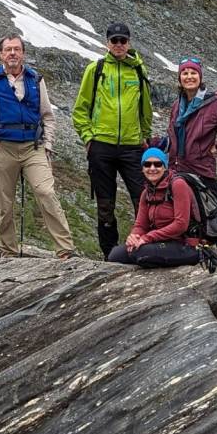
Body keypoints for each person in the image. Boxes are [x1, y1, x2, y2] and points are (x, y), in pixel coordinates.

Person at [0, 34, 76, 258]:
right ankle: (8, 252)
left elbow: (48, 116)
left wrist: (48, 145)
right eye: (8, 49)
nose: (12, 53)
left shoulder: (36, 79)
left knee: (46, 192)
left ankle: (65, 249)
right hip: (2, 148)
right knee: (4, 203)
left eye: (17, 49)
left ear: (23, 53)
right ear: (1, 54)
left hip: (34, 146)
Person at [74, 21, 154, 258]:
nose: (118, 45)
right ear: (107, 43)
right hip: (102, 146)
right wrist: (89, 138)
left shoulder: (138, 70)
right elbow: (80, 108)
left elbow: (145, 109)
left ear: (129, 43)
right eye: (114, 41)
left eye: (123, 40)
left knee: (143, 199)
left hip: (132, 146)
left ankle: (147, 247)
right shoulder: (96, 69)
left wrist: (145, 137)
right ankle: (110, 254)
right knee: (105, 204)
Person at [158, 58, 217, 268]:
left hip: (202, 173)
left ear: (200, 77)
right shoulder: (177, 105)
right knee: (185, 224)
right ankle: (196, 270)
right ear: (179, 78)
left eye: (193, 73)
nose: (189, 77)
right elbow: (173, 136)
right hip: (178, 172)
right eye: (184, 73)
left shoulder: (215, 103)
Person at [106, 148, 199, 268]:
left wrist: (147, 238)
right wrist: (134, 237)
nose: (152, 168)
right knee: (115, 255)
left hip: (183, 244)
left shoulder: (178, 185)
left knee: (140, 253)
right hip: (160, 242)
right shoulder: (146, 193)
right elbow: (140, 225)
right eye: (147, 164)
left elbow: (181, 224)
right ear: (143, 168)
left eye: (158, 164)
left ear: (165, 167)